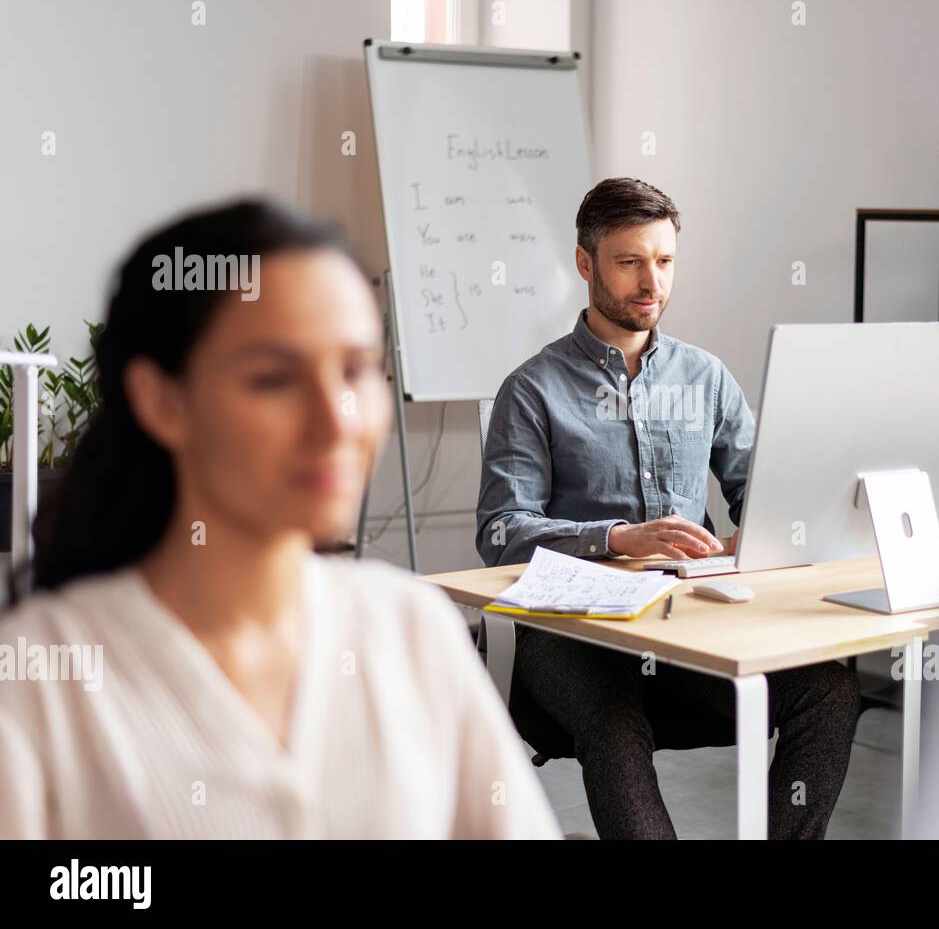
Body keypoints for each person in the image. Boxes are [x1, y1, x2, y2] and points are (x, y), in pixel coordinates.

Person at [0, 199, 559, 839]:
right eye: (274, 379)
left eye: (356, 370)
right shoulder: (40, 679)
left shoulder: (411, 628)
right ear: (162, 400)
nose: (337, 420)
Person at [476, 177, 862, 839]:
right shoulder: (532, 389)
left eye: (664, 260)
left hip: (689, 627)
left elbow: (764, 493)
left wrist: (770, 531)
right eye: (629, 262)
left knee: (827, 688)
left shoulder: (705, 377)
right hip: (572, 635)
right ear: (585, 263)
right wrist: (619, 538)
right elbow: (502, 530)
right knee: (614, 716)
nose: (650, 281)